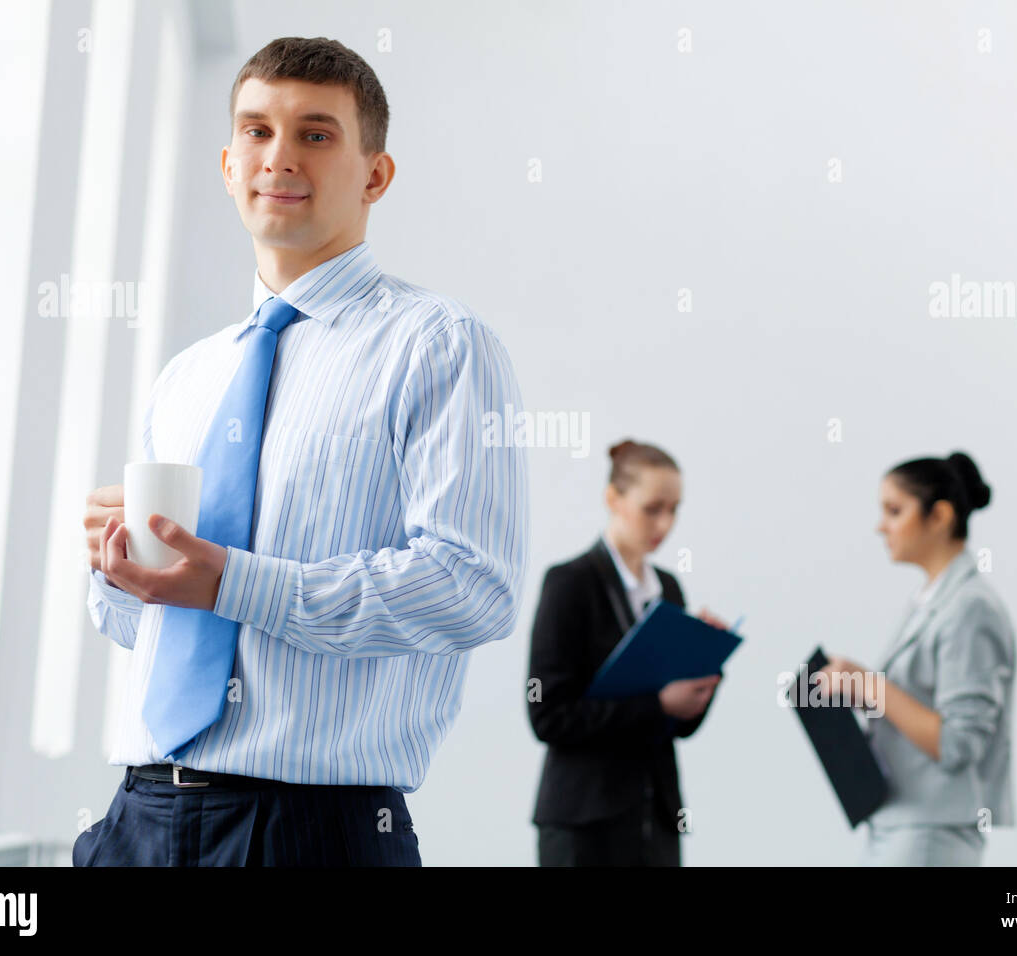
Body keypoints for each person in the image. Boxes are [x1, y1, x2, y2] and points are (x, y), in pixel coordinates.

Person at [75, 36, 528, 866]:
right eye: (256, 131)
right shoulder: (187, 377)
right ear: (226, 162)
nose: (278, 157)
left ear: (375, 175)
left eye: (315, 134)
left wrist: (235, 581)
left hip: (312, 831)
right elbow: (147, 629)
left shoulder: (438, 347)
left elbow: (472, 586)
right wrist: (117, 572)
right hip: (135, 818)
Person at [527, 439, 729, 866]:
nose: (665, 523)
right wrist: (657, 703)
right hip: (583, 826)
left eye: (674, 509)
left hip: (654, 821)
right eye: (653, 508)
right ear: (613, 500)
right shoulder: (569, 583)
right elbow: (547, 716)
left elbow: (679, 728)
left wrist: (705, 667)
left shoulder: (669, 589)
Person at [818, 451, 1015, 866]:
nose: (880, 526)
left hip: (930, 833)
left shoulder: (970, 608)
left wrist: (872, 685)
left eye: (894, 510)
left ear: (939, 516)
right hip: (901, 823)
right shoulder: (931, 601)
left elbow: (958, 742)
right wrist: (862, 689)